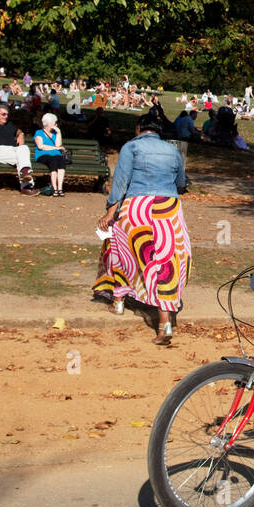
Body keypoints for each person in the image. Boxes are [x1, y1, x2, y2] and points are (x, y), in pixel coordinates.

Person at [94, 117, 190, 344]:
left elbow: (120, 182)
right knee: (167, 260)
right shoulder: (172, 149)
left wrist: (110, 212)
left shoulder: (132, 146)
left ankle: (118, 302)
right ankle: (165, 322)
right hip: (169, 208)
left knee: (119, 250)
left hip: (137, 207)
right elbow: (181, 182)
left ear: (138, 129)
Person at [0, 103, 37, 194]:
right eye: (3, 114)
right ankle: (27, 185)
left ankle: (25, 181)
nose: (6, 117)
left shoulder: (9, 125)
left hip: (11, 151)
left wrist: (21, 134)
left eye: (7, 114)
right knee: (22, 156)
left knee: (24, 149)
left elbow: (18, 131)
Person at [34, 112, 67, 197]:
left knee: (60, 160)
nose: (56, 124)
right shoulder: (39, 132)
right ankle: (54, 189)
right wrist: (56, 148)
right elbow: (41, 146)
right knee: (53, 161)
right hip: (43, 155)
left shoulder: (55, 133)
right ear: (49, 124)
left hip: (56, 155)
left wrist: (59, 133)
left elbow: (58, 145)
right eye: (54, 123)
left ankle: (60, 188)